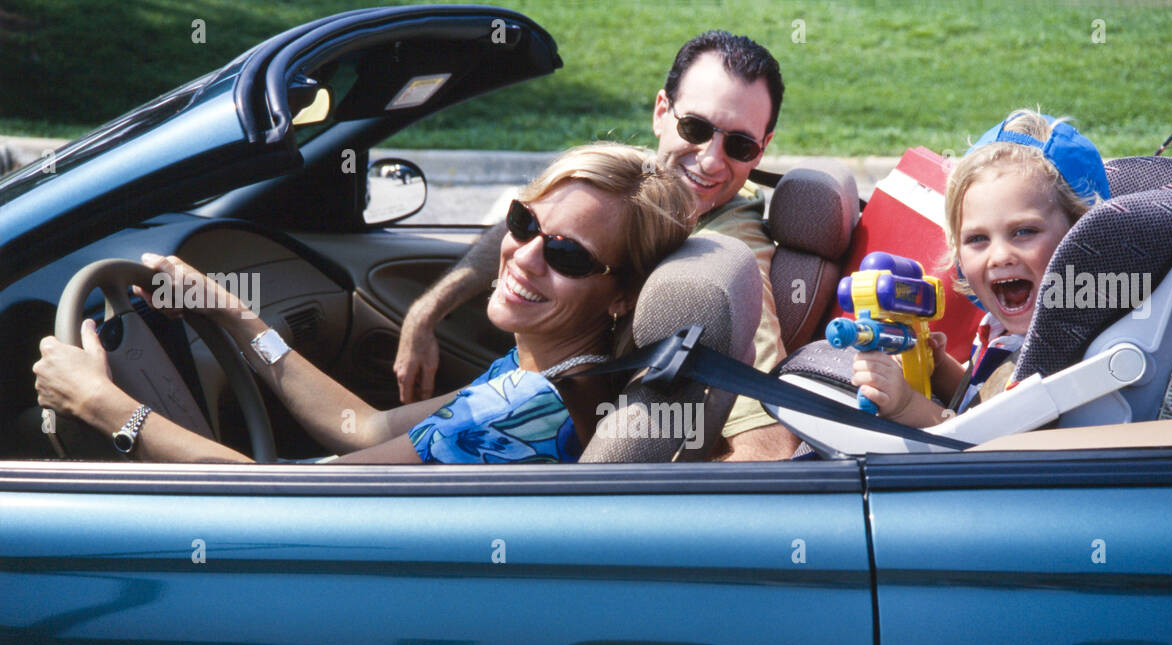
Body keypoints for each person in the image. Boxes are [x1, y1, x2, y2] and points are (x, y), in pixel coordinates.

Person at [33, 143, 695, 464]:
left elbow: (275, 506)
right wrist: (237, 317)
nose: (523, 256)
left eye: (569, 255)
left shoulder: (526, 419)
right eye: (523, 223)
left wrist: (106, 407)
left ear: (622, 297)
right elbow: (367, 432)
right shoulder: (544, 374)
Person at [395, 30, 798, 461]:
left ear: (762, 150)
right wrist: (426, 312)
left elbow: (766, 446)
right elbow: (538, 220)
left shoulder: (726, 257)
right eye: (695, 128)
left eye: (739, 145)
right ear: (662, 112)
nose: (711, 159)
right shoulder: (647, 183)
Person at [851, 109, 1110, 426]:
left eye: (1024, 232)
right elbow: (985, 401)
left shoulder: (1060, 348)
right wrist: (939, 367)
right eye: (977, 239)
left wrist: (905, 405)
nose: (1000, 256)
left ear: (1082, 234)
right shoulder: (1000, 329)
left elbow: (985, 443)